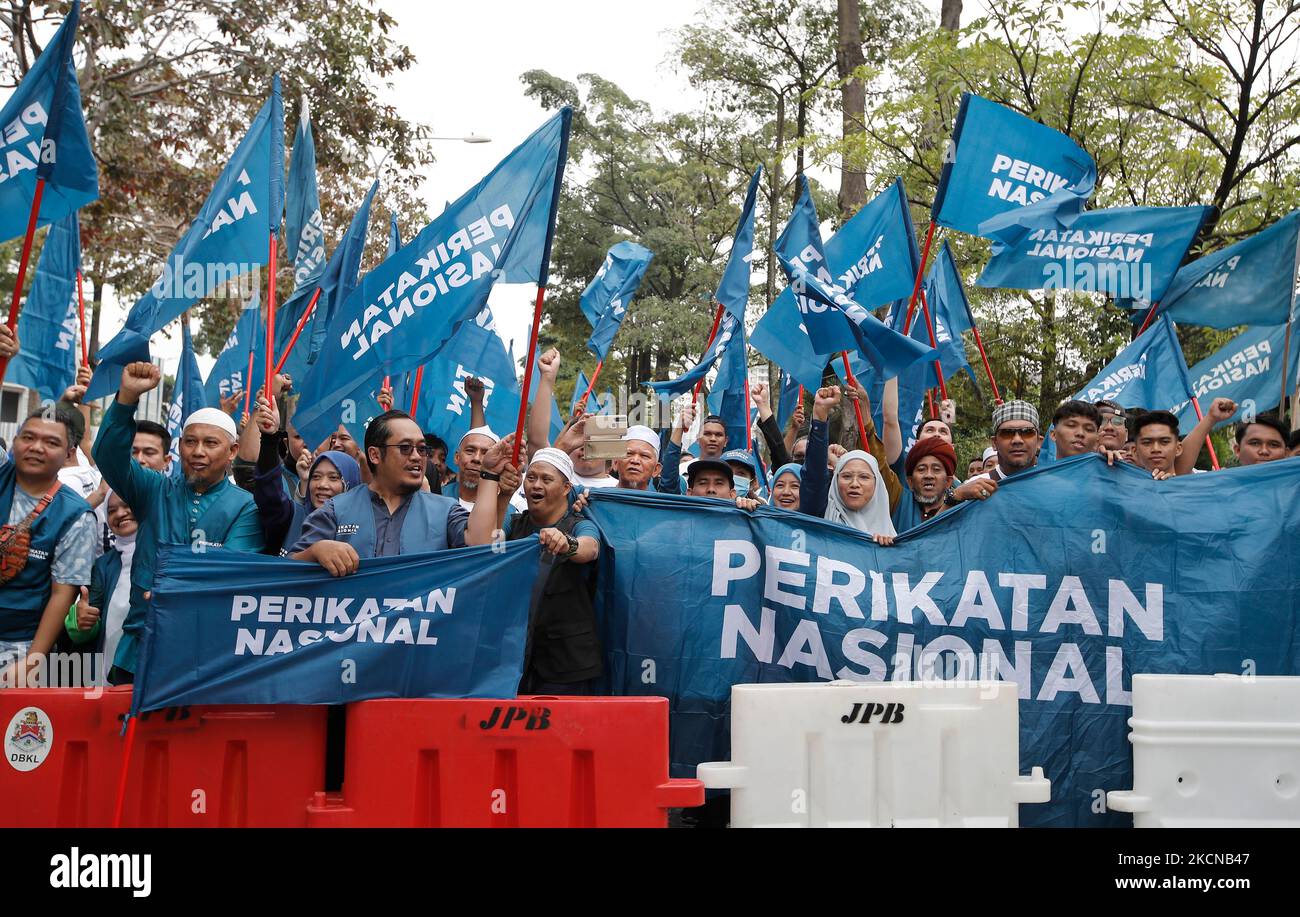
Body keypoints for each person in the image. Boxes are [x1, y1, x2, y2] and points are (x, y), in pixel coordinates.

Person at [92, 362, 264, 682]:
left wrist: (172, 590)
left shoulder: (246, 507)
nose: (197, 451)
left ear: (232, 451)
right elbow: (108, 456)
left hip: (208, 651)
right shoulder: (154, 489)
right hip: (140, 646)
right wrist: (127, 396)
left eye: (210, 443)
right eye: (189, 442)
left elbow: (232, 569)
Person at [290, 410, 510, 574]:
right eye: (405, 448)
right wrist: (317, 551)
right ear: (375, 455)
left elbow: (483, 547)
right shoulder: (336, 510)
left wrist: (489, 473)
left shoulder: (445, 511)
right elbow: (284, 573)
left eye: (422, 449)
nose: (417, 456)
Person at [469, 445, 603, 693]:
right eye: (531, 478)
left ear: (565, 488)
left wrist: (567, 544)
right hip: (510, 657)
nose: (536, 485)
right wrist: (502, 497)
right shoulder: (513, 521)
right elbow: (490, 547)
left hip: (566, 663)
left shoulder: (579, 524)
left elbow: (590, 548)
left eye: (546, 479)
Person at [0, 403, 96, 681]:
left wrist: (32, 661)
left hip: (17, 644)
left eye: (51, 442)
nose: (36, 447)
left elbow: (61, 594)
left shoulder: (76, 514)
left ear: (68, 454)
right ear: (15, 441)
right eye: (28, 437)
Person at [250, 393, 362, 554]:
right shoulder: (291, 516)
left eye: (334, 477)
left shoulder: (364, 525)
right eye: (315, 477)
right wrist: (269, 438)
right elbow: (269, 493)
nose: (322, 485)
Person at [799, 386, 896, 544]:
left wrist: (885, 552)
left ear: (877, 484)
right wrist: (819, 417)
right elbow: (814, 477)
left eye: (864, 477)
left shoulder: (894, 541)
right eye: (846, 476)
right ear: (835, 481)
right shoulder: (820, 516)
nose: (854, 484)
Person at [61, 491, 138, 683]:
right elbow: (88, 622)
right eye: (111, 511)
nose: (120, 514)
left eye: (127, 505)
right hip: (109, 679)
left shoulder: (168, 555)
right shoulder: (105, 565)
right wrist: (82, 623)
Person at [946, 400, 1043, 507]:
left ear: (1039, 441)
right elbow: (940, 523)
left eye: (1027, 432)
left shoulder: (1052, 486)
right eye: (1007, 433)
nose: (1017, 440)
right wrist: (957, 496)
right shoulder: (974, 487)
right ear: (994, 443)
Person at [893, 436, 957, 532]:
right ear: (910, 482)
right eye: (921, 469)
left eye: (936, 470)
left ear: (948, 482)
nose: (929, 475)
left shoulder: (960, 511)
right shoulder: (898, 501)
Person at [1130, 410, 1181, 479]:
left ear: (1178, 449)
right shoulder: (1120, 486)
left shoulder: (1197, 487)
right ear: (1135, 451)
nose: (1156, 449)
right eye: (1147, 443)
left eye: (1164, 442)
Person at [615, 425, 663, 491]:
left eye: (645, 456)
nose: (635, 460)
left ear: (656, 470)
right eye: (628, 454)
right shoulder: (599, 498)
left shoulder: (659, 501)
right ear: (615, 463)